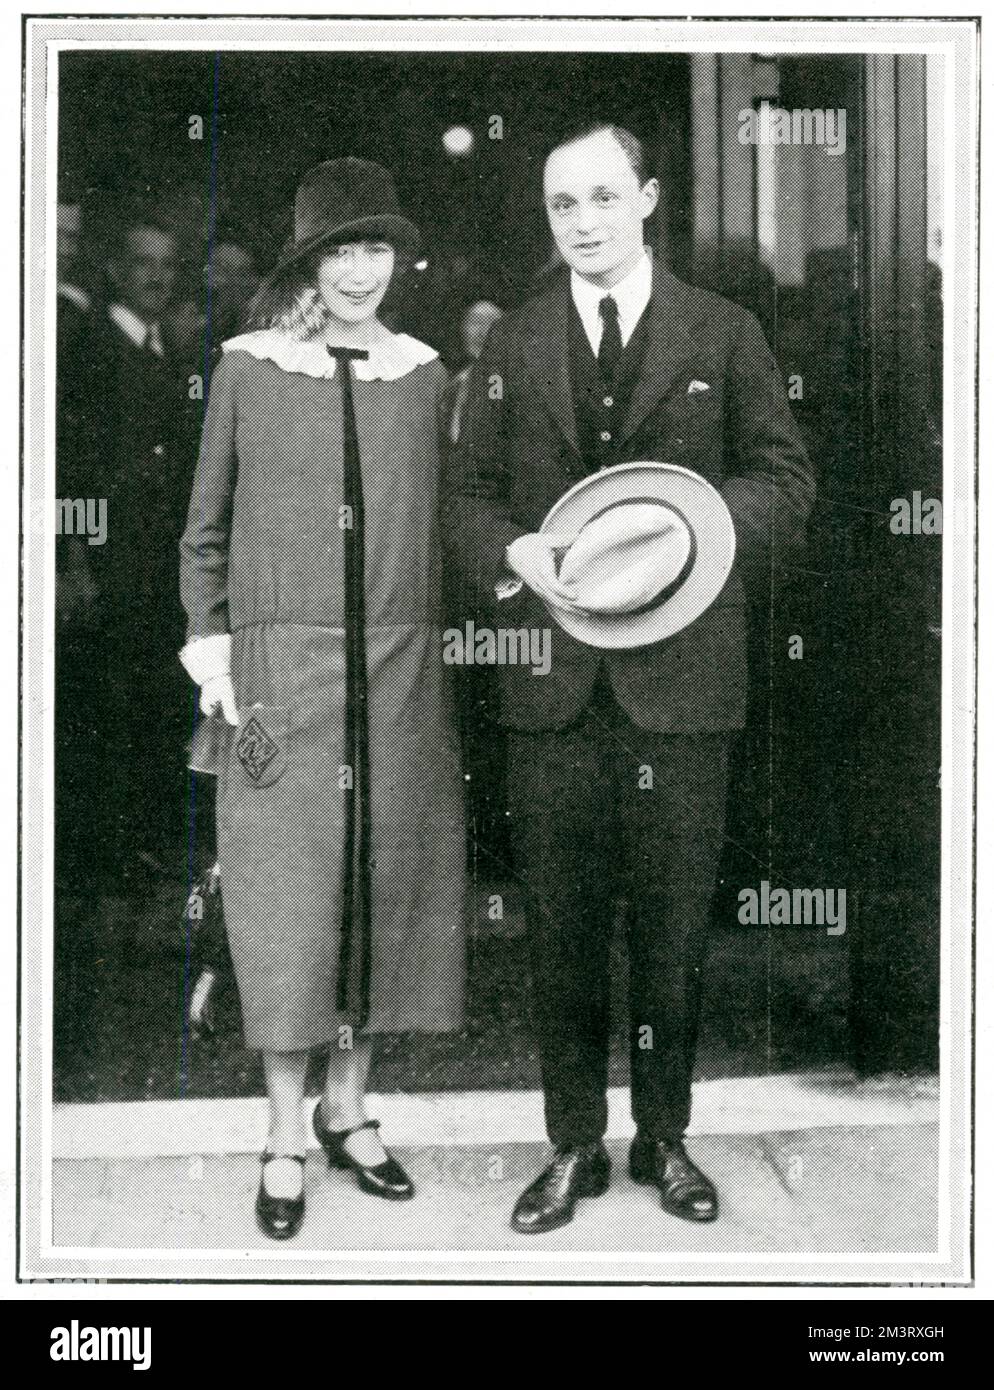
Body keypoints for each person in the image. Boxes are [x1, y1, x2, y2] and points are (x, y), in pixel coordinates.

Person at [444, 123, 814, 1234]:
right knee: (559, 928)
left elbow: (786, 484)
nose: (585, 222)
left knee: (671, 926)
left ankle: (663, 1137)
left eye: (605, 197)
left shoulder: (726, 330)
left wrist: (681, 529)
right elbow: (465, 499)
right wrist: (509, 549)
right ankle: (570, 1146)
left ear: (648, 198)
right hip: (552, 692)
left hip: (684, 687)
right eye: (564, 205)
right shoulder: (512, 341)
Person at [179, 158, 466, 1240]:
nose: (360, 269)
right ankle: (285, 1131)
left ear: (398, 259)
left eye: (377, 247)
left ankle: (352, 1110)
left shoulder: (423, 374)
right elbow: (203, 529)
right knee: (288, 899)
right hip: (276, 687)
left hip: (396, 680)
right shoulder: (250, 369)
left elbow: (448, 522)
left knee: (378, 889)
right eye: (341, 248)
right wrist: (213, 650)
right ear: (309, 261)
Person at [441, 299, 503, 444]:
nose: (482, 331)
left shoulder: (500, 380)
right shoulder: (454, 382)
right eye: (475, 321)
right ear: (462, 328)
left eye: (492, 322)